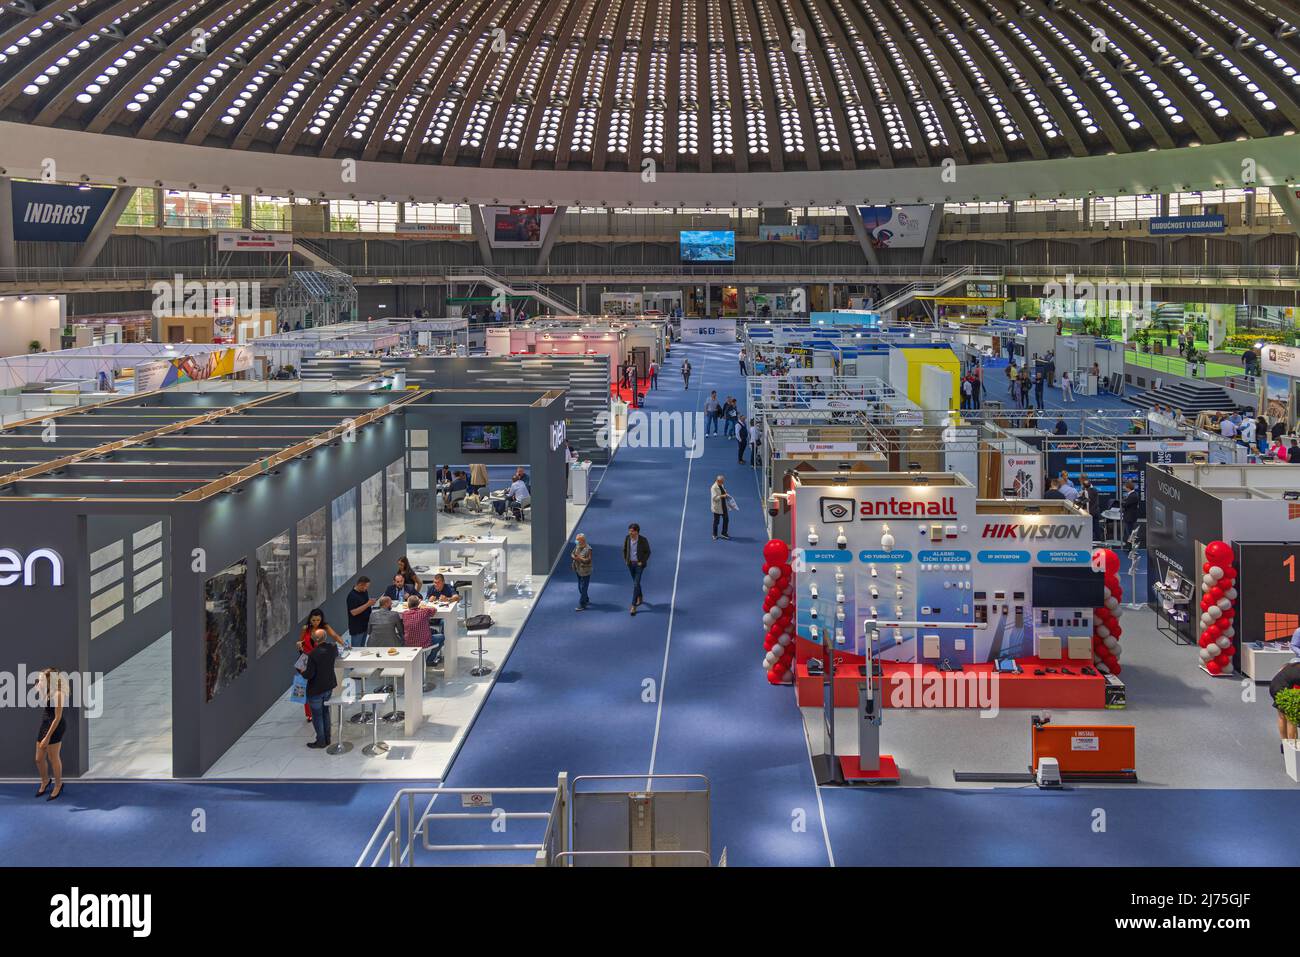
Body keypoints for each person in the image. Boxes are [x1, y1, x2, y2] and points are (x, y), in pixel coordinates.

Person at [302, 629, 339, 749]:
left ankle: (321, 741)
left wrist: (303, 671)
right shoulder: (333, 648)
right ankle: (327, 738)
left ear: (313, 639)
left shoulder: (313, 654)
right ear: (325, 637)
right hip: (328, 686)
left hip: (316, 689)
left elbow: (309, 675)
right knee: (325, 712)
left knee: (317, 716)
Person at [34, 668, 65, 800]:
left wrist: (47, 737)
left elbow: (57, 718)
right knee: (38, 758)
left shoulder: (58, 694)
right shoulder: (47, 691)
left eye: (41, 679)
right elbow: (46, 706)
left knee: (53, 758)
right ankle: (45, 781)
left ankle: (58, 785)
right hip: (45, 724)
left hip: (55, 726)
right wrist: (40, 690)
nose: (38, 681)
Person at [623, 522, 651, 615]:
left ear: (637, 532)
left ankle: (633, 605)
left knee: (635, 584)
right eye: (629, 531)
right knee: (636, 582)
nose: (630, 533)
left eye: (632, 531)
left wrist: (642, 562)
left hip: (639, 565)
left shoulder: (643, 540)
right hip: (630, 564)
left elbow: (648, 552)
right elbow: (624, 550)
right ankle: (640, 596)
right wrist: (626, 560)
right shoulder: (627, 538)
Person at [345, 576, 375, 647]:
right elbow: (353, 612)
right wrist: (368, 604)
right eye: (365, 587)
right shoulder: (351, 596)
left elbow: (364, 603)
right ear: (360, 584)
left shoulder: (364, 592)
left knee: (362, 648)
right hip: (357, 628)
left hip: (365, 625)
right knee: (356, 650)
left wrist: (370, 602)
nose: (366, 588)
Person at [571, 533, 593, 611]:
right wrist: (574, 557)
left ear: (582, 540)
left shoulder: (588, 549)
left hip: (585, 571)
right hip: (578, 570)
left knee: (583, 587)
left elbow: (588, 560)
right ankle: (586, 598)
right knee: (580, 587)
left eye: (578, 540)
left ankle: (582, 604)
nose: (576, 541)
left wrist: (579, 559)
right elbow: (572, 554)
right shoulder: (577, 546)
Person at [711, 475, 733, 540]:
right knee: (716, 522)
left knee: (726, 519)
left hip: (723, 505)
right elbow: (714, 498)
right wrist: (722, 496)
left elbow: (723, 490)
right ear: (718, 481)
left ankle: (724, 533)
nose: (723, 483)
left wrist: (725, 493)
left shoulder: (721, 485)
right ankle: (714, 534)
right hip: (717, 508)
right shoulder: (713, 488)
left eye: (723, 481)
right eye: (722, 481)